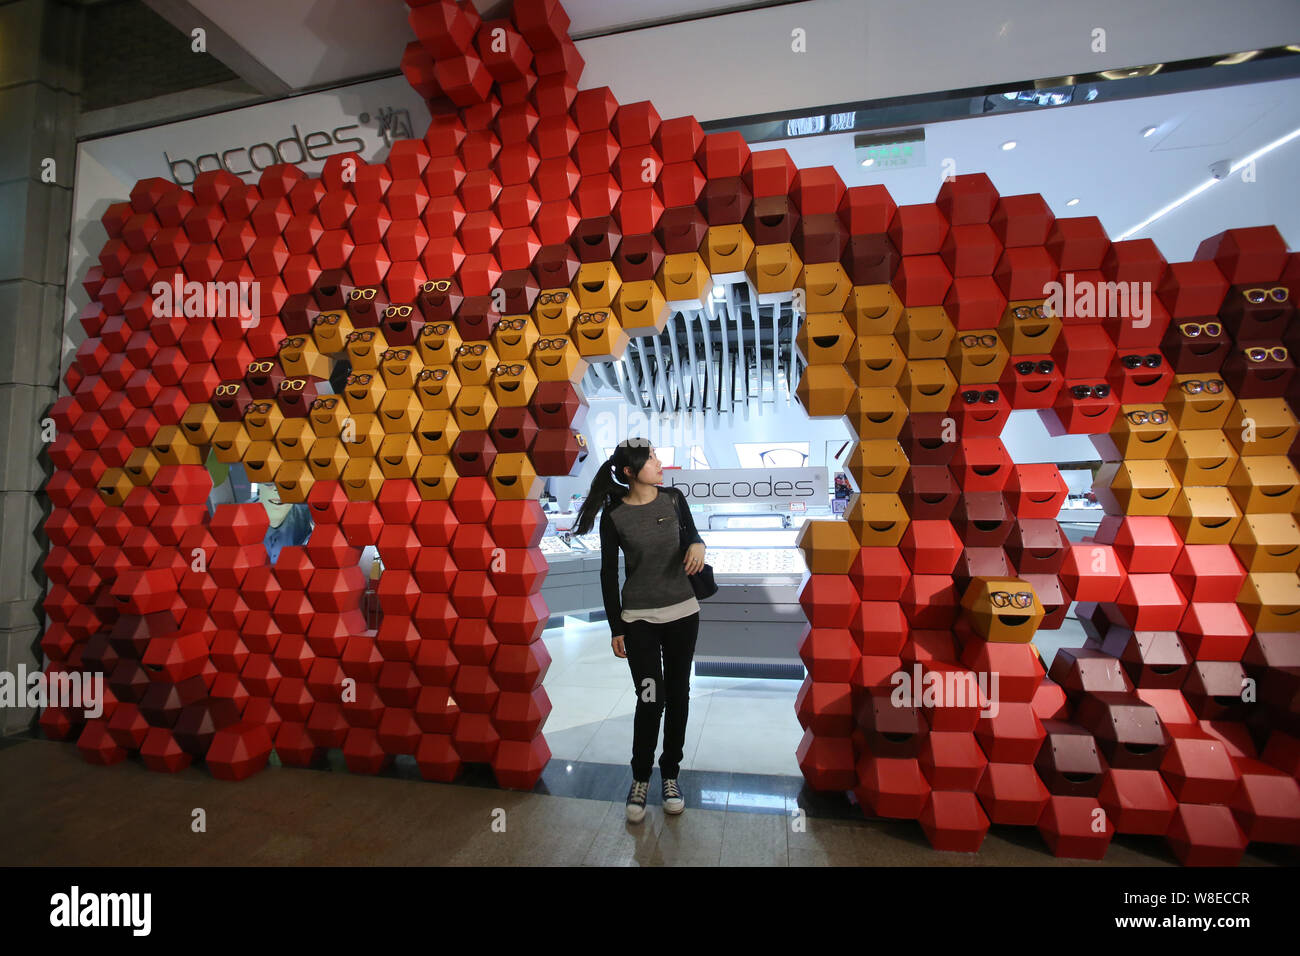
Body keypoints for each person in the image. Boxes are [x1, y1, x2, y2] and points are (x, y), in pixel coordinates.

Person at [572, 438, 707, 823]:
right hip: (639, 622)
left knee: (678, 695)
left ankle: (670, 774)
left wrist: (699, 544)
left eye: (655, 455)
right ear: (630, 472)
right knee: (650, 698)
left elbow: (693, 538)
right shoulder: (614, 516)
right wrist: (616, 626)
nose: (659, 462)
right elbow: (607, 572)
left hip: (683, 613)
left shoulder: (674, 499)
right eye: (650, 458)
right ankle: (640, 778)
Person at [257, 482, 313, 564]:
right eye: (269, 483)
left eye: (286, 483)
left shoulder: (308, 515)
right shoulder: (242, 514)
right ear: (259, 486)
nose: (278, 490)